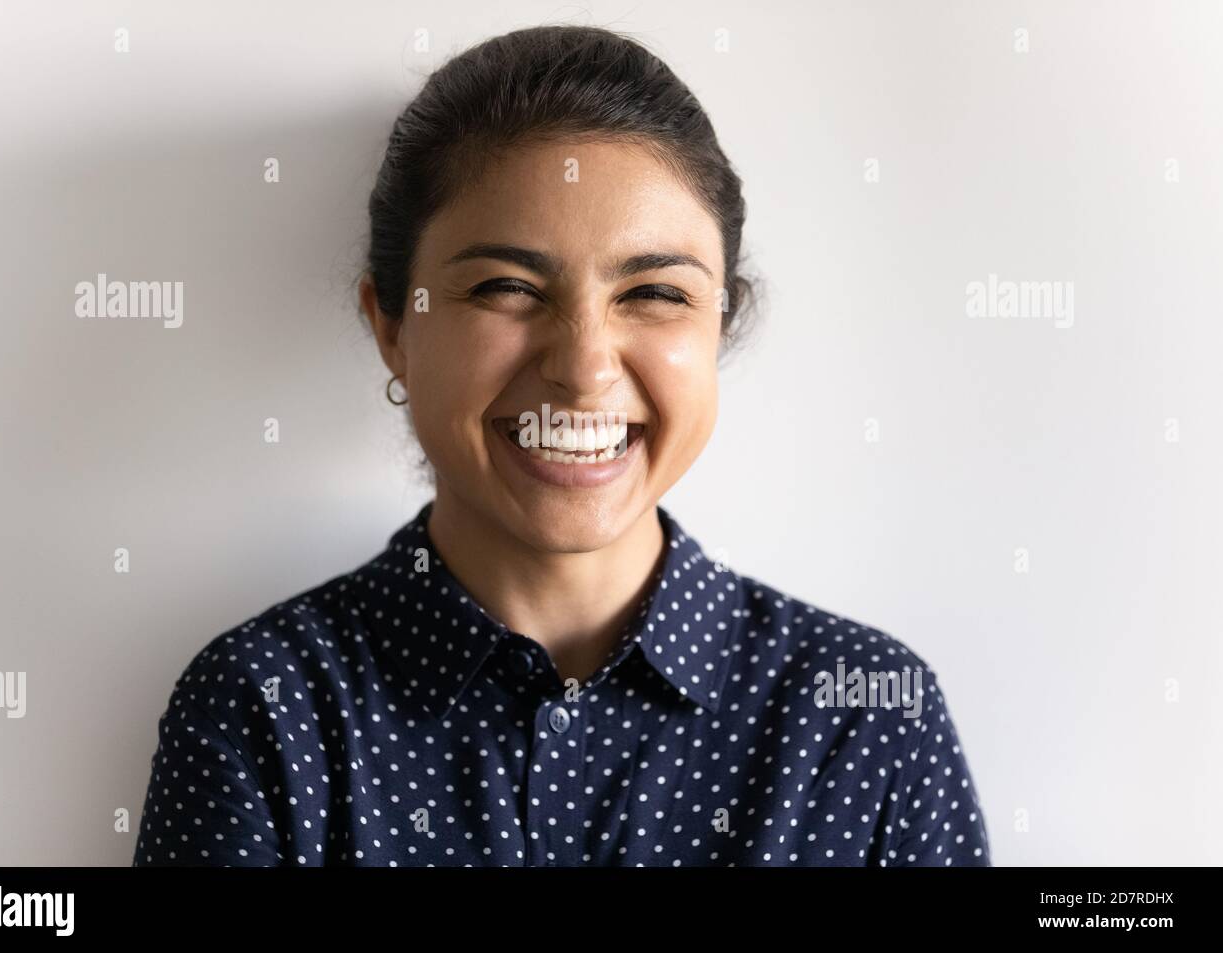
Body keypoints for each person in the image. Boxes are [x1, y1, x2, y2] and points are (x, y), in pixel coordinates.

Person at [133, 23, 990, 866]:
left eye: (655, 293)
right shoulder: (263, 709)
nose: (584, 370)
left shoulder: (870, 719)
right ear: (393, 327)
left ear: (720, 326)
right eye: (507, 287)